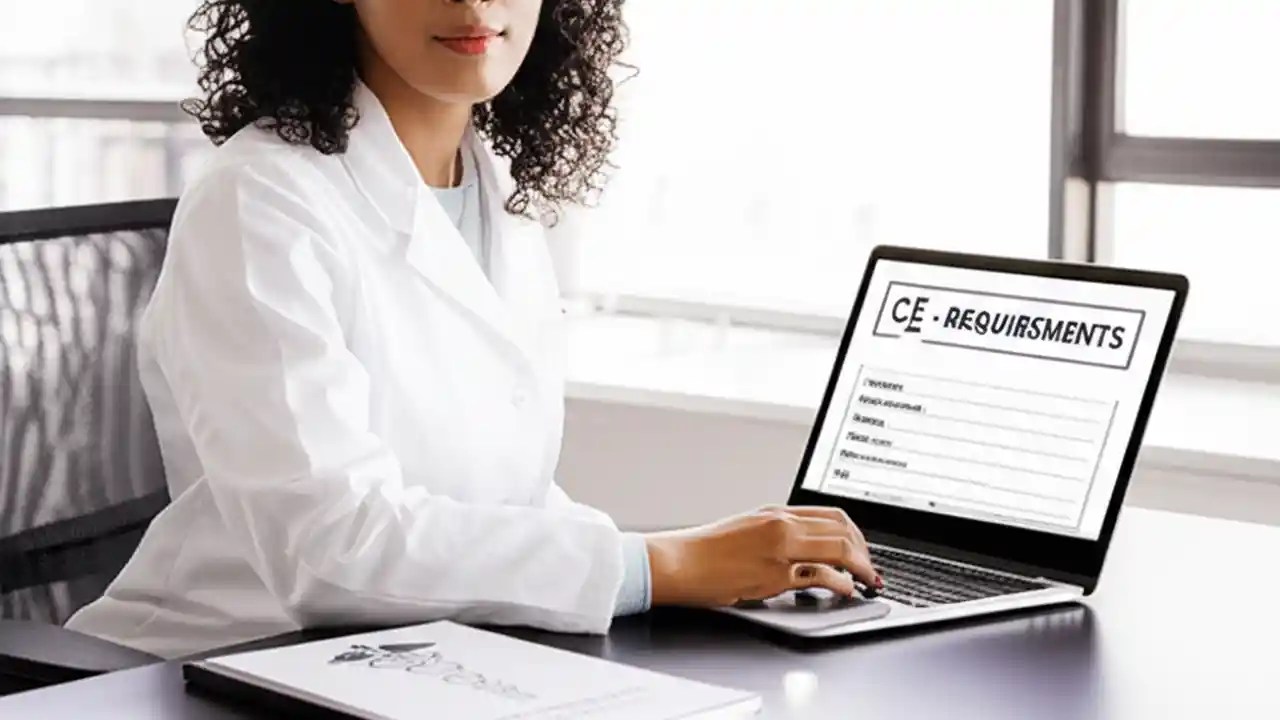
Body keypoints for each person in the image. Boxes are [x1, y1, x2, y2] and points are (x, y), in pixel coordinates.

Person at [67, 0, 881, 658]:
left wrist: (716, 563)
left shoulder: (497, 198)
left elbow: (497, 499)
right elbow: (330, 548)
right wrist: (656, 564)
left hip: (423, 664)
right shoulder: (258, 200)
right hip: (212, 666)